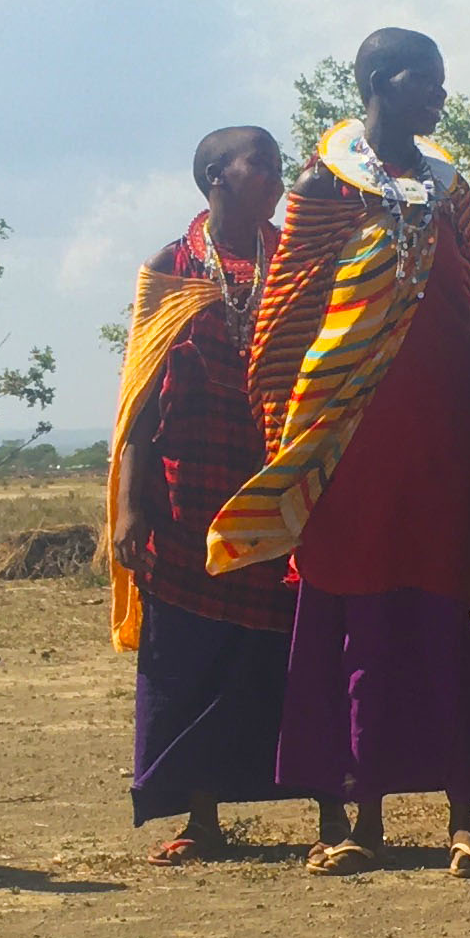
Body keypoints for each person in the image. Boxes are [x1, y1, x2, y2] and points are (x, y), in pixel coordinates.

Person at [212, 28, 470, 877]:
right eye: (426, 80)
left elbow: (465, 290)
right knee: (348, 619)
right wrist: (296, 442)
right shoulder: (321, 190)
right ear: (379, 81)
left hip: (439, 431)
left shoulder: (450, 189)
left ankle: (462, 815)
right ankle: (354, 817)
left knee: (441, 612)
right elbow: (285, 323)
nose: (441, 94)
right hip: (347, 440)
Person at [106, 126, 300, 863]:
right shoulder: (172, 268)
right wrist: (130, 506)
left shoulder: (296, 262)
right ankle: (202, 817)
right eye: (264, 164)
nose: (278, 177)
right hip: (188, 501)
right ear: (216, 175)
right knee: (189, 659)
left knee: (277, 654)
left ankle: (326, 811)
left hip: (276, 496)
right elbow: (140, 402)